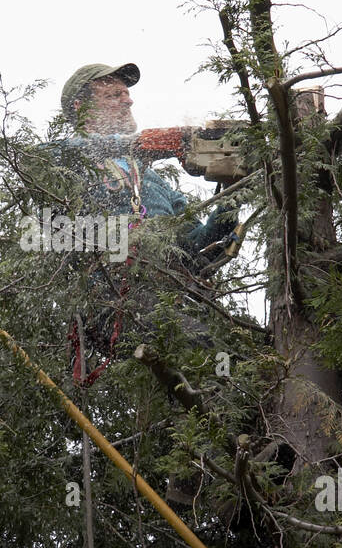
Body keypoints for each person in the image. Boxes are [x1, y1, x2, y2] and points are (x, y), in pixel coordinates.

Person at [43, 62, 241, 385]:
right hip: (112, 296)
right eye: (114, 95)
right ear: (81, 109)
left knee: (227, 355)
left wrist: (234, 190)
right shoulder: (65, 164)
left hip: (165, 295)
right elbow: (42, 159)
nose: (128, 100)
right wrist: (136, 143)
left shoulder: (152, 180)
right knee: (204, 348)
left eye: (127, 94)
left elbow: (195, 241)